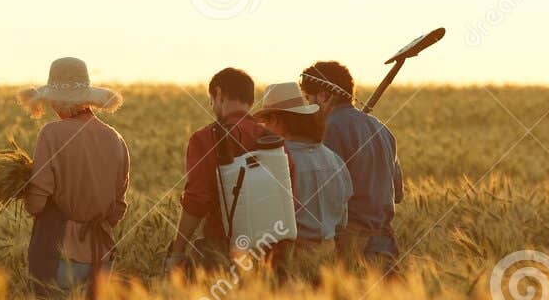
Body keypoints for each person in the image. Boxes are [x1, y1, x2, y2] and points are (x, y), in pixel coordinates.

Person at [19, 57, 129, 300]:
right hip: (101, 254)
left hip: (59, 253)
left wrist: (21, 191)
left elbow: (36, 202)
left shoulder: (51, 134)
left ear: (59, 100)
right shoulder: (114, 138)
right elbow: (118, 209)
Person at [164, 66, 274, 271]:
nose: (211, 105)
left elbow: (197, 199)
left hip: (220, 252)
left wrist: (178, 250)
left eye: (211, 99)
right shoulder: (275, 141)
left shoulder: (206, 138)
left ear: (219, 93)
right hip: (268, 255)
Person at [300, 60, 403, 271]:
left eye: (307, 99)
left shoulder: (327, 131)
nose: (306, 107)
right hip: (386, 246)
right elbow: (398, 194)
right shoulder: (383, 131)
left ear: (324, 96)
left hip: (350, 249)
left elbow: (323, 196)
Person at [251, 80, 351, 276]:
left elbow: (262, 223)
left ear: (277, 120)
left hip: (289, 261)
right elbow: (342, 221)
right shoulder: (335, 160)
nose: (265, 128)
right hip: (329, 260)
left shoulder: (278, 162)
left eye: (266, 121)